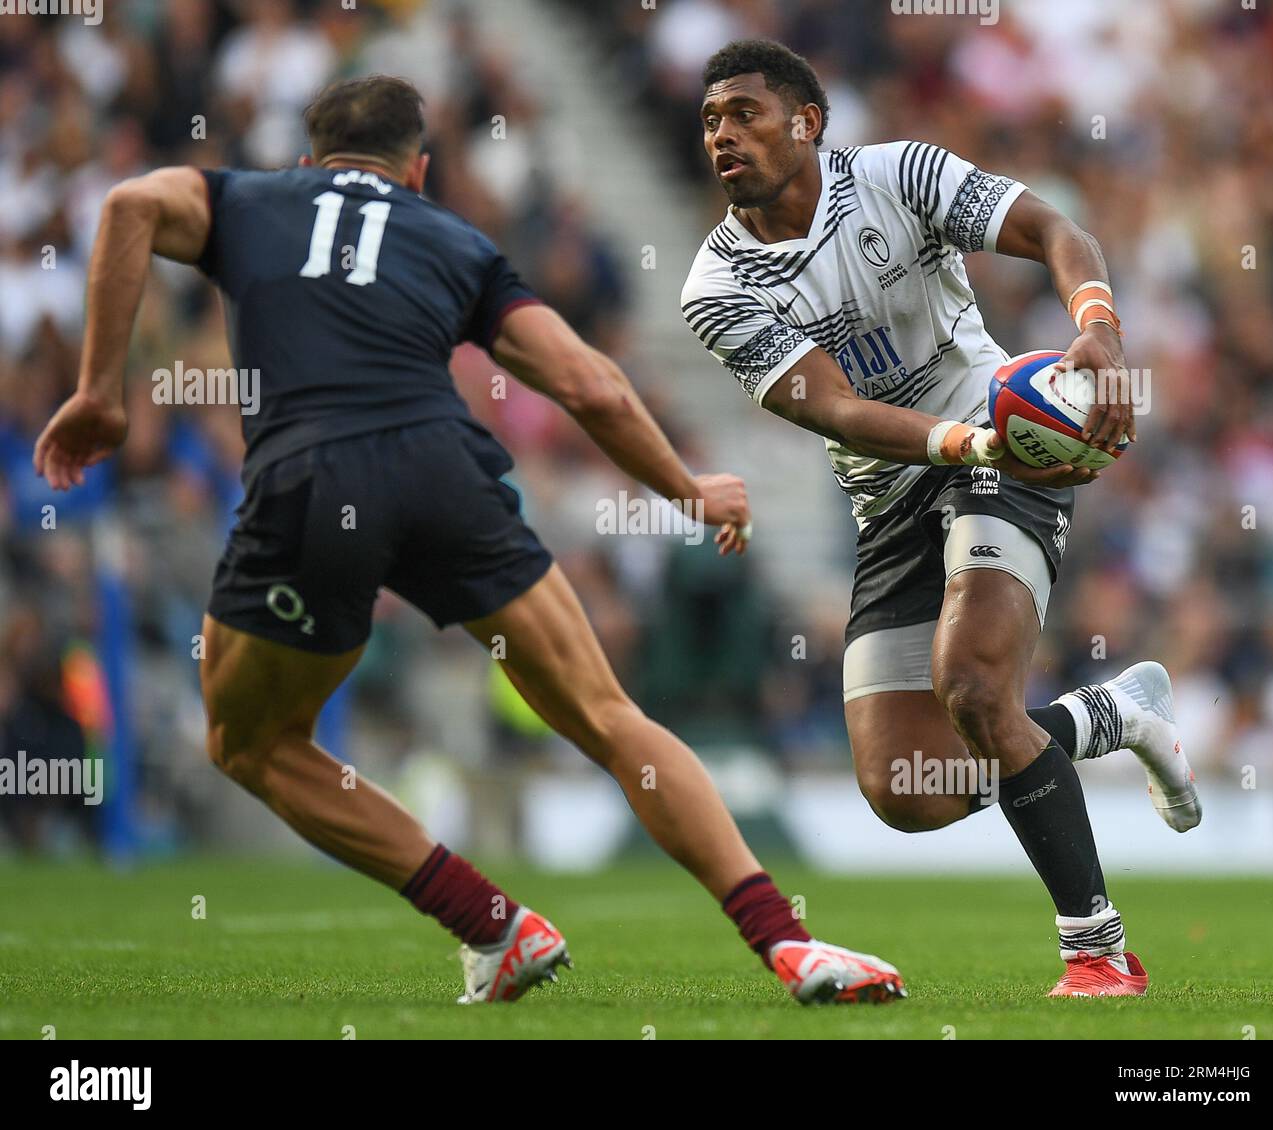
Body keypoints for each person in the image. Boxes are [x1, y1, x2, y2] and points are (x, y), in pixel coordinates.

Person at [35, 75, 905, 1005]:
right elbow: (593, 386)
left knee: (249, 741)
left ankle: (494, 924)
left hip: (312, 485)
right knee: (614, 723)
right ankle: (788, 945)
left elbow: (128, 205)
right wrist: (684, 491)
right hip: (445, 474)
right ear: (417, 169)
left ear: (305, 156)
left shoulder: (248, 198)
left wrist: (98, 392)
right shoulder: (455, 240)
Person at [680, 40, 1200, 998]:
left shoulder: (896, 175)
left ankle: (1097, 954)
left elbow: (1054, 227)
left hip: (1008, 442)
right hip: (902, 485)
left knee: (971, 685)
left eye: (745, 113)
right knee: (903, 790)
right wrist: (959, 446)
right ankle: (1114, 715)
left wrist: (1097, 325)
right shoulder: (715, 289)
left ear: (807, 123)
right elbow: (832, 409)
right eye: (712, 119)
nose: (723, 134)